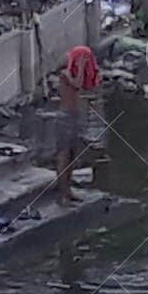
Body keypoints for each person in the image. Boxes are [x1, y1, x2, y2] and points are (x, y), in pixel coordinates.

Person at [56, 45, 100, 204]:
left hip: (74, 116)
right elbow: (77, 84)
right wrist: (81, 67)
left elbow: (88, 86)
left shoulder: (70, 73)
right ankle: (62, 194)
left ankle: (68, 191)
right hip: (65, 117)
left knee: (72, 156)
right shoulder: (65, 74)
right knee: (64, 156)